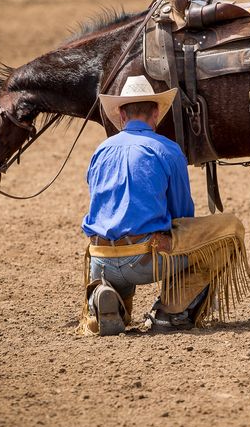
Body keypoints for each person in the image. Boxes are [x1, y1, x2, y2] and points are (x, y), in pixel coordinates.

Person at [81, 75, 198, 336]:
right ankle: (170, 312)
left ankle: (106, 295)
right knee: (225, 233)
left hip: (100, 259)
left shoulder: (101, 150)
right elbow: (182, 216)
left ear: (121, 115)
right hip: (145, 259)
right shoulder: (167, 149)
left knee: (121, 233)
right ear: (156, 113)